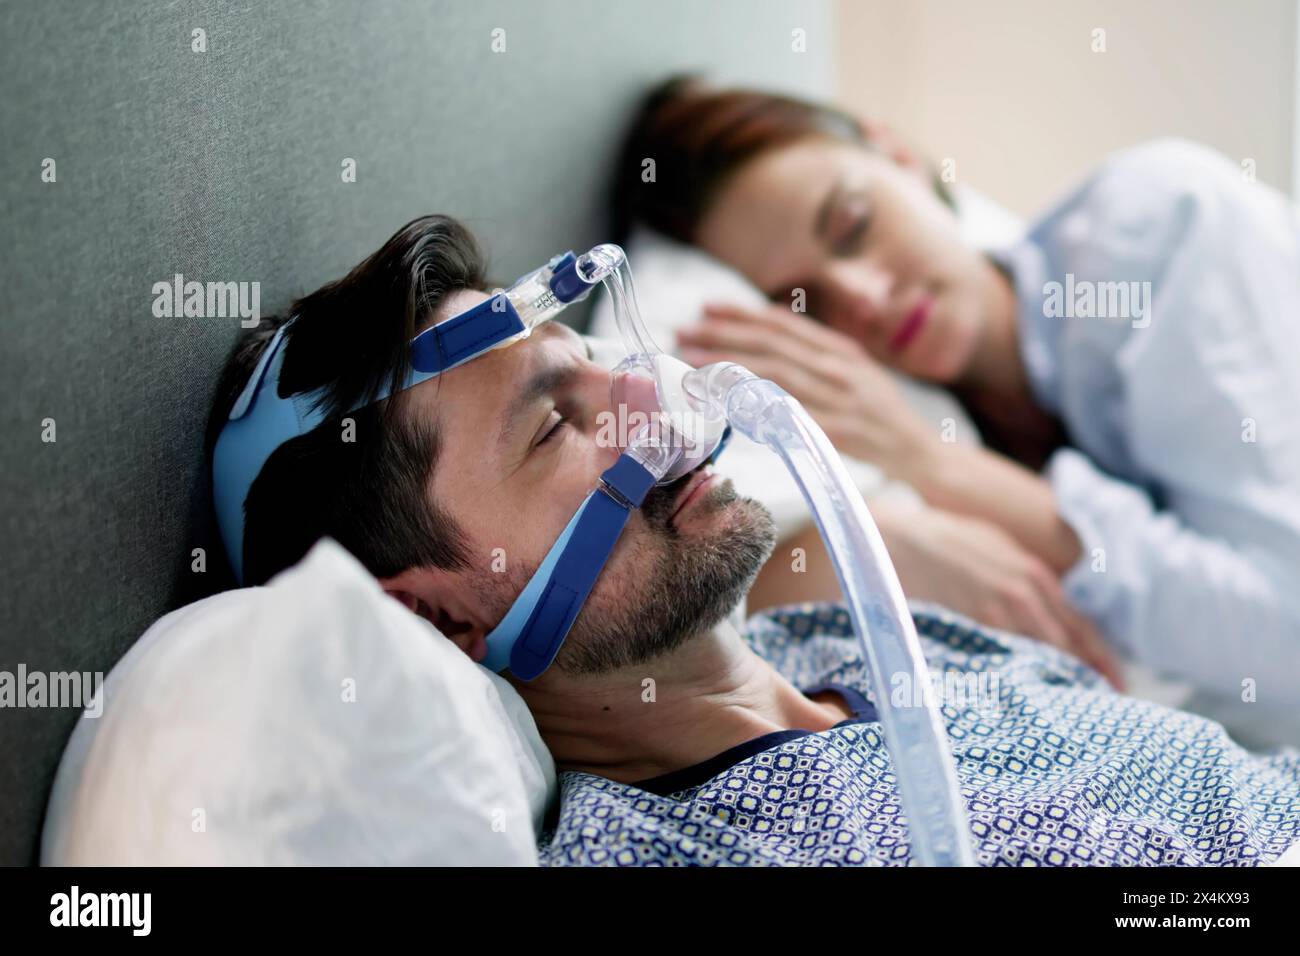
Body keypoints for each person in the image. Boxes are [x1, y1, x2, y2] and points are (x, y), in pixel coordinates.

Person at [207, 214, 1300, 865]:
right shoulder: (665, 853)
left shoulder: (864, 637)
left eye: (590, 361)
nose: (644, 395)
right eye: (553, 426)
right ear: (439, 616)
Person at [608, 77, 1300, 744]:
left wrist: (929, 458)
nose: (865, 296)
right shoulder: (950, 408)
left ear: (898, 155)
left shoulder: (1162, 226)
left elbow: (1283, 631)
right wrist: (878, 532)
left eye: (853, 226)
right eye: (808, 304)